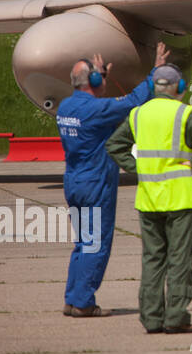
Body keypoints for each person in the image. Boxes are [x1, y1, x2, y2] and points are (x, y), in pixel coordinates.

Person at [55, 42, 170, 317]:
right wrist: (155, 71)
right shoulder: (97, 110)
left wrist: (99, 78)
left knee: (83, 243)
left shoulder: (66, 107)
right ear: (93, 80)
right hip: (96, 183)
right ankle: (83, 302)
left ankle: (73, 298)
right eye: (97, 75)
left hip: (74, 182)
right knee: (96, 243)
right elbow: (134, 101)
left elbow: (97, 102)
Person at [105, 65, 192, 334]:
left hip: (148, 199)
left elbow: (114, 145)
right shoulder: (184, 112)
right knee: (179, 259)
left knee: (152, 258)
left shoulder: (138, 113)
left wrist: (138, 168)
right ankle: (176, 317)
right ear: (179, 88)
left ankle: (152, 318)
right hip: (179, 197)